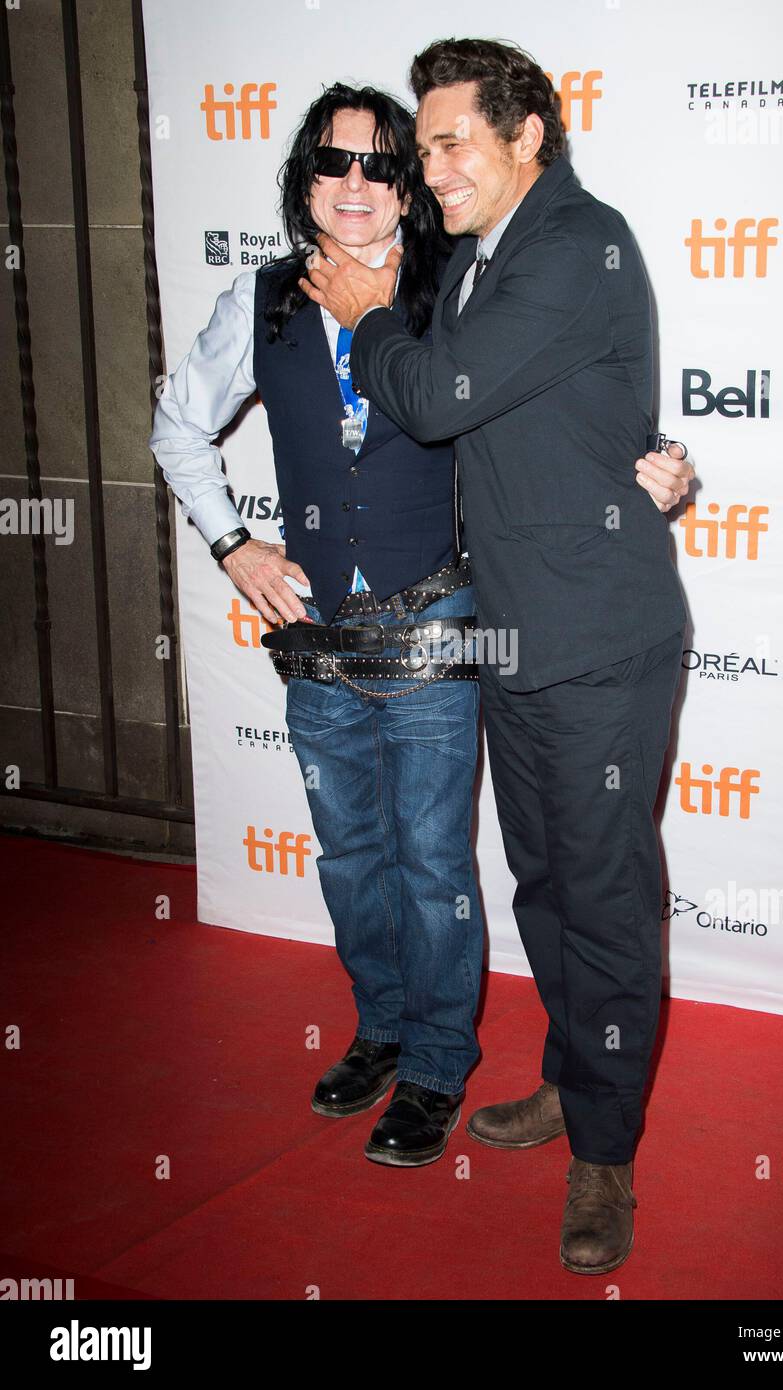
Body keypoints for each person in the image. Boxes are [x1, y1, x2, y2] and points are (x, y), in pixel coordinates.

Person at [150, 79, 692, 1176]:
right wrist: (234, 545)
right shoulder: (258, 300)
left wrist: (653, 459)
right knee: (353, 856)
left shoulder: (460, 288)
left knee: (436, 858)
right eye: (332, 162)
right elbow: (176, 427)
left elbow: (556, 397)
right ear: (304, 182)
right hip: (317, 634)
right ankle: (382, 1030)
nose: (356, 183)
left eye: (380, 164)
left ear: (405, 188)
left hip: (441, 625)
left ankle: (441, 1064)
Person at [303, 38, 691, 1271]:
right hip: (515, 633)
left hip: (597, 641)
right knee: (544, 889)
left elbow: (437, 395)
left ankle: (606, 1156)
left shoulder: (575, 242)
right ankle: (574, 1085)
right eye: (422, 147)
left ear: (526, 136)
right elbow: (561, 416)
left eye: (451, 142)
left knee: (603, 904)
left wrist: (367, 320)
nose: (431, 169)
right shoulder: (486, 255)